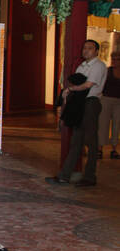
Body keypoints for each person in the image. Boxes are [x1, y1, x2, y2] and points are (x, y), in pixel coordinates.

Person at [47, 40, 107, 187]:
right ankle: (64, 175)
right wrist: (69, 90)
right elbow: (75, 83)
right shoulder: (82, 66)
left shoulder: (99, 65)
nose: (86, 50)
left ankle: (90, 177)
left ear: (97, 51)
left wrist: (72, 89)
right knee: (76, 141)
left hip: (91, 102)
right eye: (84, 48)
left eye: (90, 48)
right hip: (79, 105)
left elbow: (87, 85)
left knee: (91, 141)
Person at [98, 47, 120, 159]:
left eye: (117, 59)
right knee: (103, 124)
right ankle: (100, 148)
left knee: (117, 125)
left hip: (118, 101)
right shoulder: (107, 71)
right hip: (106, 99)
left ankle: (114, 149)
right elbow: (100, 85)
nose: (114, 61)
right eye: (113, 59)